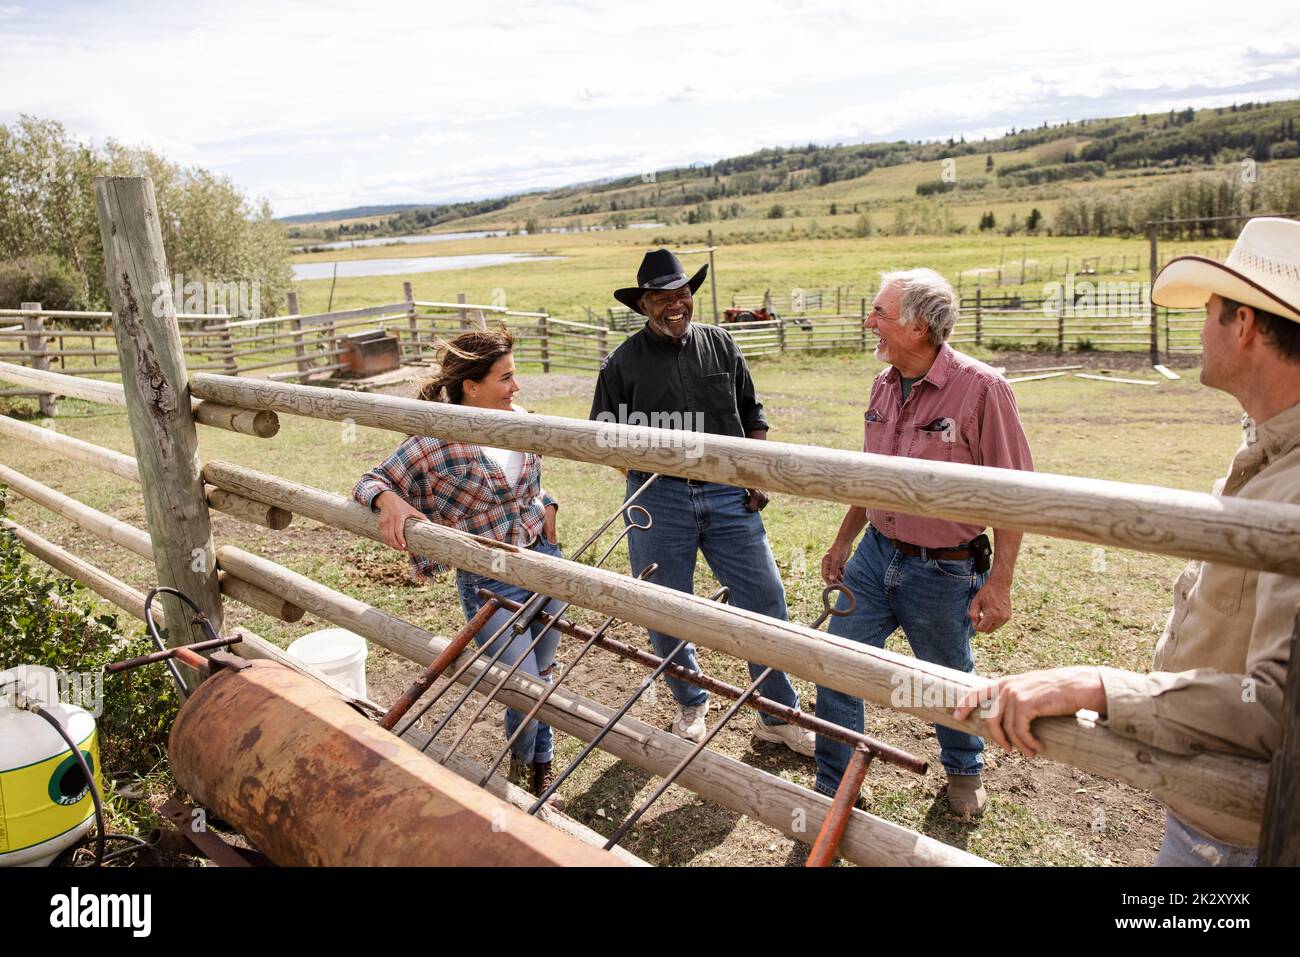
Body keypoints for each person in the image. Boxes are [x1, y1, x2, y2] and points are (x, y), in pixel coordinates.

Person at [954, 217, 1300, 865]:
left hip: (1246, 835)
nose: (1201, 328)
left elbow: (1280, 705)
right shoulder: (1265, 449)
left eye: (1210, 311)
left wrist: (1098, 685)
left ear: (1246, 325)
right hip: (1219, 812)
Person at [817, 268, 1034, 816]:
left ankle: (964, 771)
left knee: (945, 681)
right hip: (874, 555)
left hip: (942, 569)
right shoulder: (884, 383)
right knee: (836, 660)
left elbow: (1017, 496)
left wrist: (1001, 583)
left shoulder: (984, 389)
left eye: (880, 314)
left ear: (918, 327)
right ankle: (835, 781)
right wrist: (844, 542)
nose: (871, 322)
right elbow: (871, 475)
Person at [589, 248, 814, 755]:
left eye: (683, 293)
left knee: (765, 600)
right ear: (644, 304)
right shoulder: (622, 363)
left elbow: (752, 414)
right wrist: (650, 477)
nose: (676, 305)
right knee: (664, 606)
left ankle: (777, 715)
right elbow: (604, 438)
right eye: (663, 298)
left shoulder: (721, 344)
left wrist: (754, 474)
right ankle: (689, 700)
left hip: (730, 495)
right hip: (658, 498)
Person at [353, 327, 567, 804]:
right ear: (472, 385)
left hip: (546, 565)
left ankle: (538, 767)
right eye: (506, 377)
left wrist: (547, 502)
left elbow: (528, 489)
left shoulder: (522, 421)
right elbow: (371, 480)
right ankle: (517, 769)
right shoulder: (438, 437)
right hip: (491, 582)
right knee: (523, 685)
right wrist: (389, 501)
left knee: (543, 674)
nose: (517, 387)